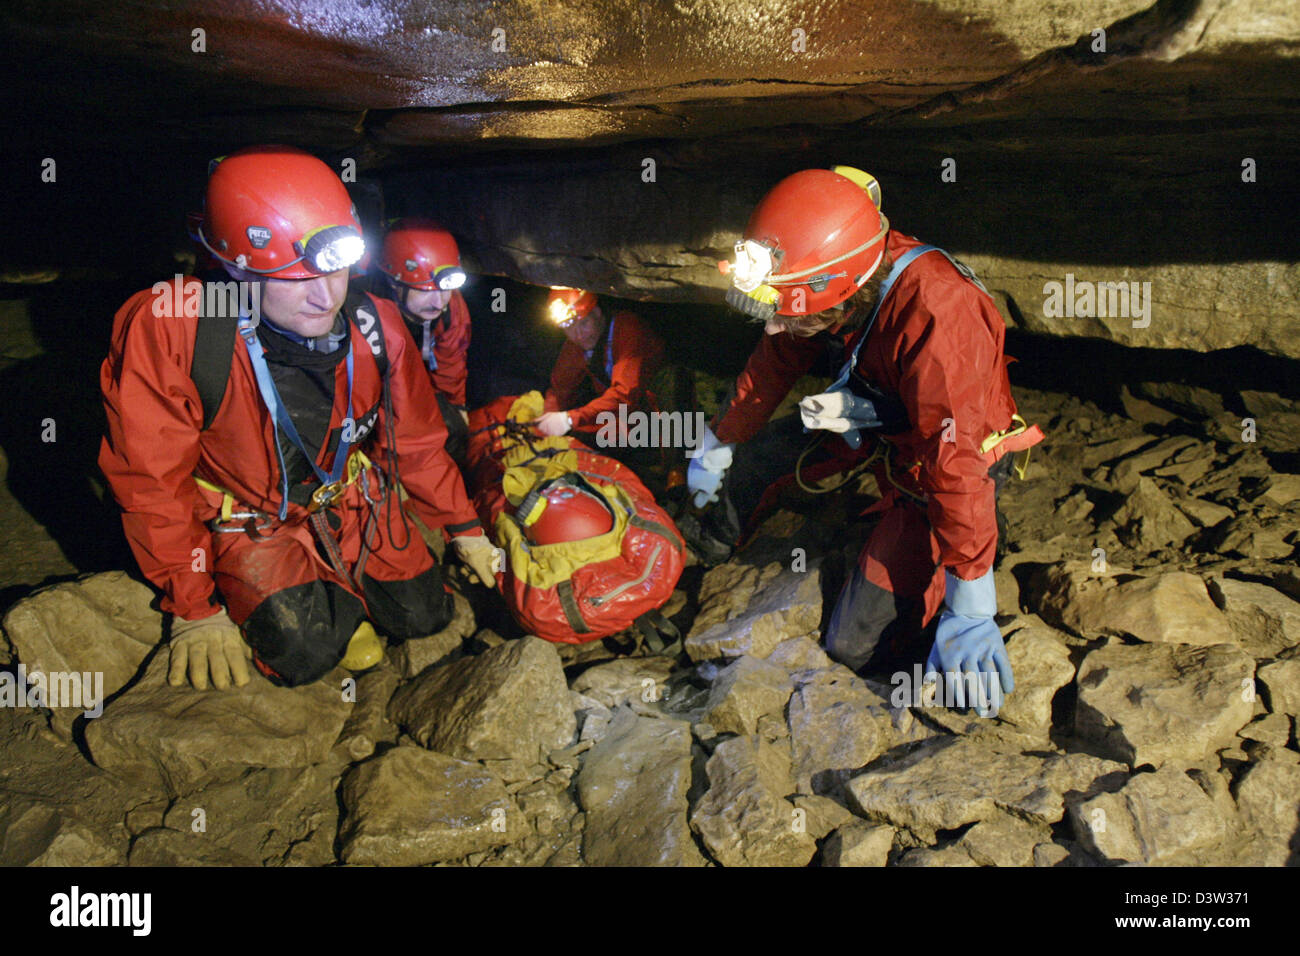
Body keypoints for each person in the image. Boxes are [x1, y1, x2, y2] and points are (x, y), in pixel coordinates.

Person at [99, 145, 498, 691]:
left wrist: (464, 525)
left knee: (423, 615)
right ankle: (306, 595)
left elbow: (417, 442)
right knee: (305, 652)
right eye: (291, 278)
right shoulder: (180, 328)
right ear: (235, 267)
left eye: (335, 272)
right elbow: (151, 483)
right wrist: (194, 606)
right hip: (251, 520)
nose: (323, 297)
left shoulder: (374, 322)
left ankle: (345, 586)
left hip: (353, 503)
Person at [685, 166, 1042, 716]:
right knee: (756, 461)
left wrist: (971, 599)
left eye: (789, 316)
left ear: (843, 293)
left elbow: (955, 461)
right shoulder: (837, 271)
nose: (775, 328)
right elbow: (774, 360)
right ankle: (708, 549)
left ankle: (971, 552)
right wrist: (720, 440)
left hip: (938, 471)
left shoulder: (939, 312)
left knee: (853, 645)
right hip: (877, 433)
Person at [376, 218, 472, 461]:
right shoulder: (366, 311)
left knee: (455, 432)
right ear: (393, 282)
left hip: (419, 379)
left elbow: (450, 364)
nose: (439, 302)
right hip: (376, 388)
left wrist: (457, 407)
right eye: (424, 290)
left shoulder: (451, 310)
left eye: (444, 289)